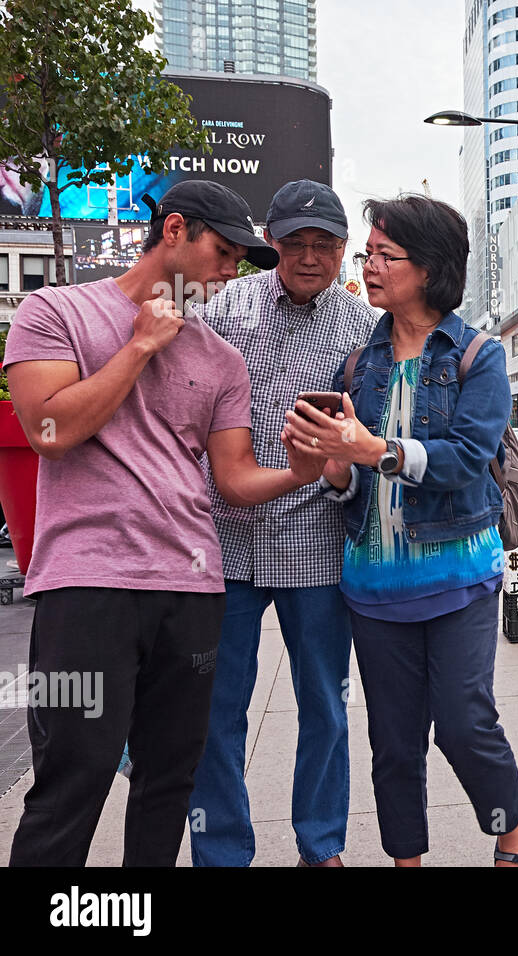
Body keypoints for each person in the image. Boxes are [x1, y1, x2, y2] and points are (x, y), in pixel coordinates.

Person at [3, 180, 328, 867]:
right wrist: (142, 346)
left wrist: (302, 471)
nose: (228, 273)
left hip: (193, 593)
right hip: (85, 583)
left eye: (241, 261)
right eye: (221, 252)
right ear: (173, 230)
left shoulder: (220, 359)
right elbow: (50, 430)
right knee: (74, 777)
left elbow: (234, 481)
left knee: (169, 784)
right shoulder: (56, 311)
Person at [281, 195, 518, 867]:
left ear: (430, 267)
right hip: (373, 588)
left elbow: (465, 462)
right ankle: (405, 862)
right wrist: (329, 466)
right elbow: (350, 481)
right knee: (393, 745)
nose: (369, 268)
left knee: (463, 724)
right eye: (368, 254)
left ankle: (511, 835)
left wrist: (373, 451)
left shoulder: (478, 357)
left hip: (460, 581)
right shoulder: (358, 367)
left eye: (383, 255)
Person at [188, 181, 379, 868]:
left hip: (318, 545)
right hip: (225, 540)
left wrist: (343, 467)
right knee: (215, 710)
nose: (307, 257)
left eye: (322, 245)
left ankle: (320, 845)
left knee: (325, 706)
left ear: (341, 251)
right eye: (294, 242)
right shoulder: (225, 308)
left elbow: (369, 441)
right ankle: (220, 851)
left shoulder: (362, 329)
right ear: (270, 241)